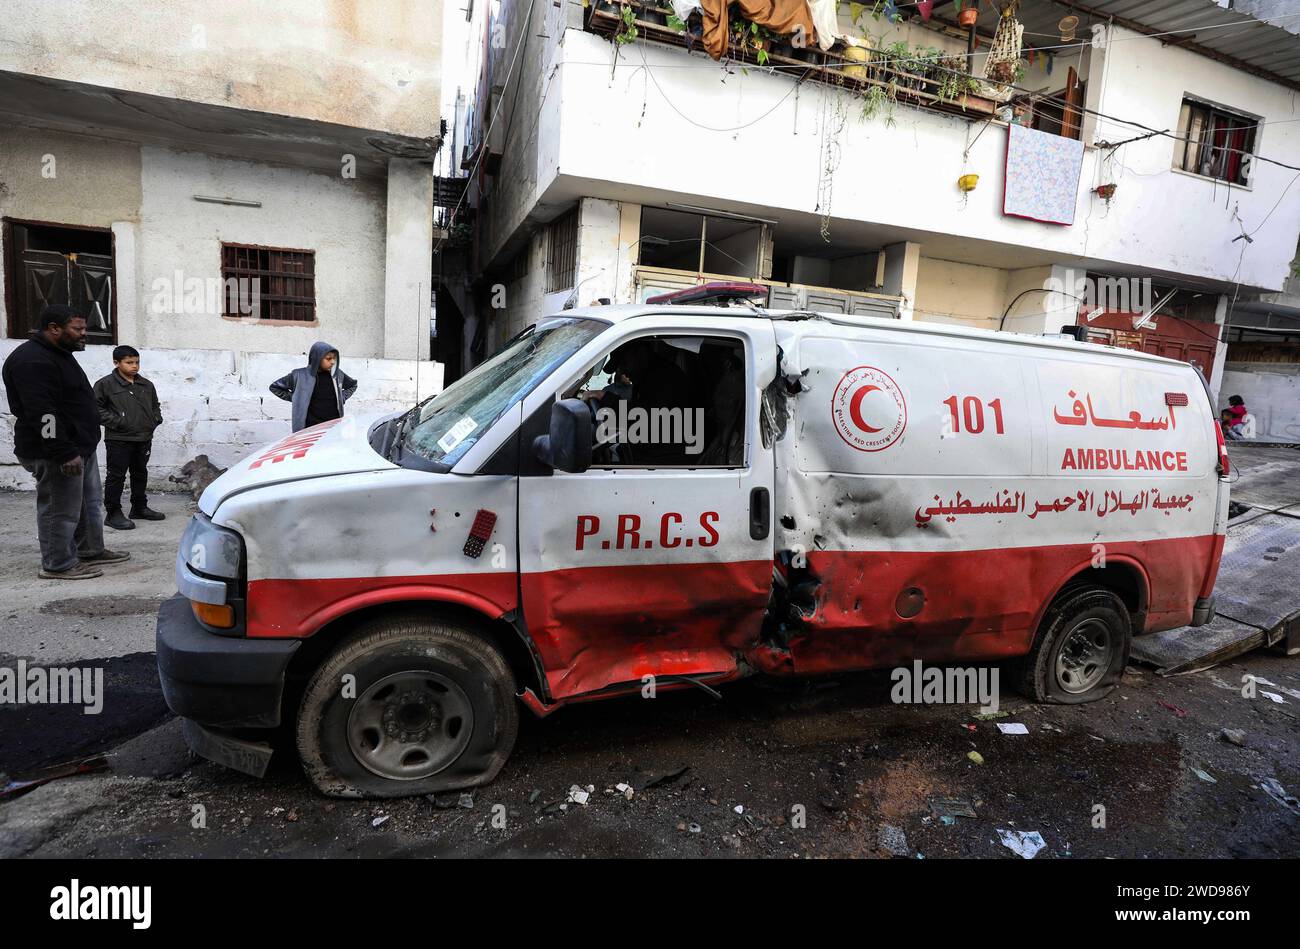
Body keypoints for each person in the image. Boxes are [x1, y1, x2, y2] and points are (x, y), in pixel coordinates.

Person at [1, 305, 129, 579]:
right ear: (54, 328)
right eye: (78, 329)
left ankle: (90, 550)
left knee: (88, 504)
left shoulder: (59, 353)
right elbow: (42, 413)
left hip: (80, 447)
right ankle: (57, 563)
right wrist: (62, 451)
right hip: (56, 452)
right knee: (60, 509)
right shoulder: (32, 361)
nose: (84, 334)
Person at [94, 345, 165, 530]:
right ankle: (113, 513)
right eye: (129, 362)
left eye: (137, 362)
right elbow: (95, 409)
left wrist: (155, 419)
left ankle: (139, 507)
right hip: (119, 439)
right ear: (116, 363)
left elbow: (155, 405)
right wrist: (119, 422)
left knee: (140, 473)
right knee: (116, 476)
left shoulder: (146, 385)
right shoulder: (105, 384)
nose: (134, 366)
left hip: (143, 438)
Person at [269, 342, 358, 432]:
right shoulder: (299, 375)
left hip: (333, 428)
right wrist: (297, 398)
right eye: (328, 358)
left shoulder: (337, 374)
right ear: (317, 358)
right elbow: (275, 387)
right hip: (309, 429)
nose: (332, 362)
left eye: (334, 358)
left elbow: (353, 385)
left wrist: (341, 398)